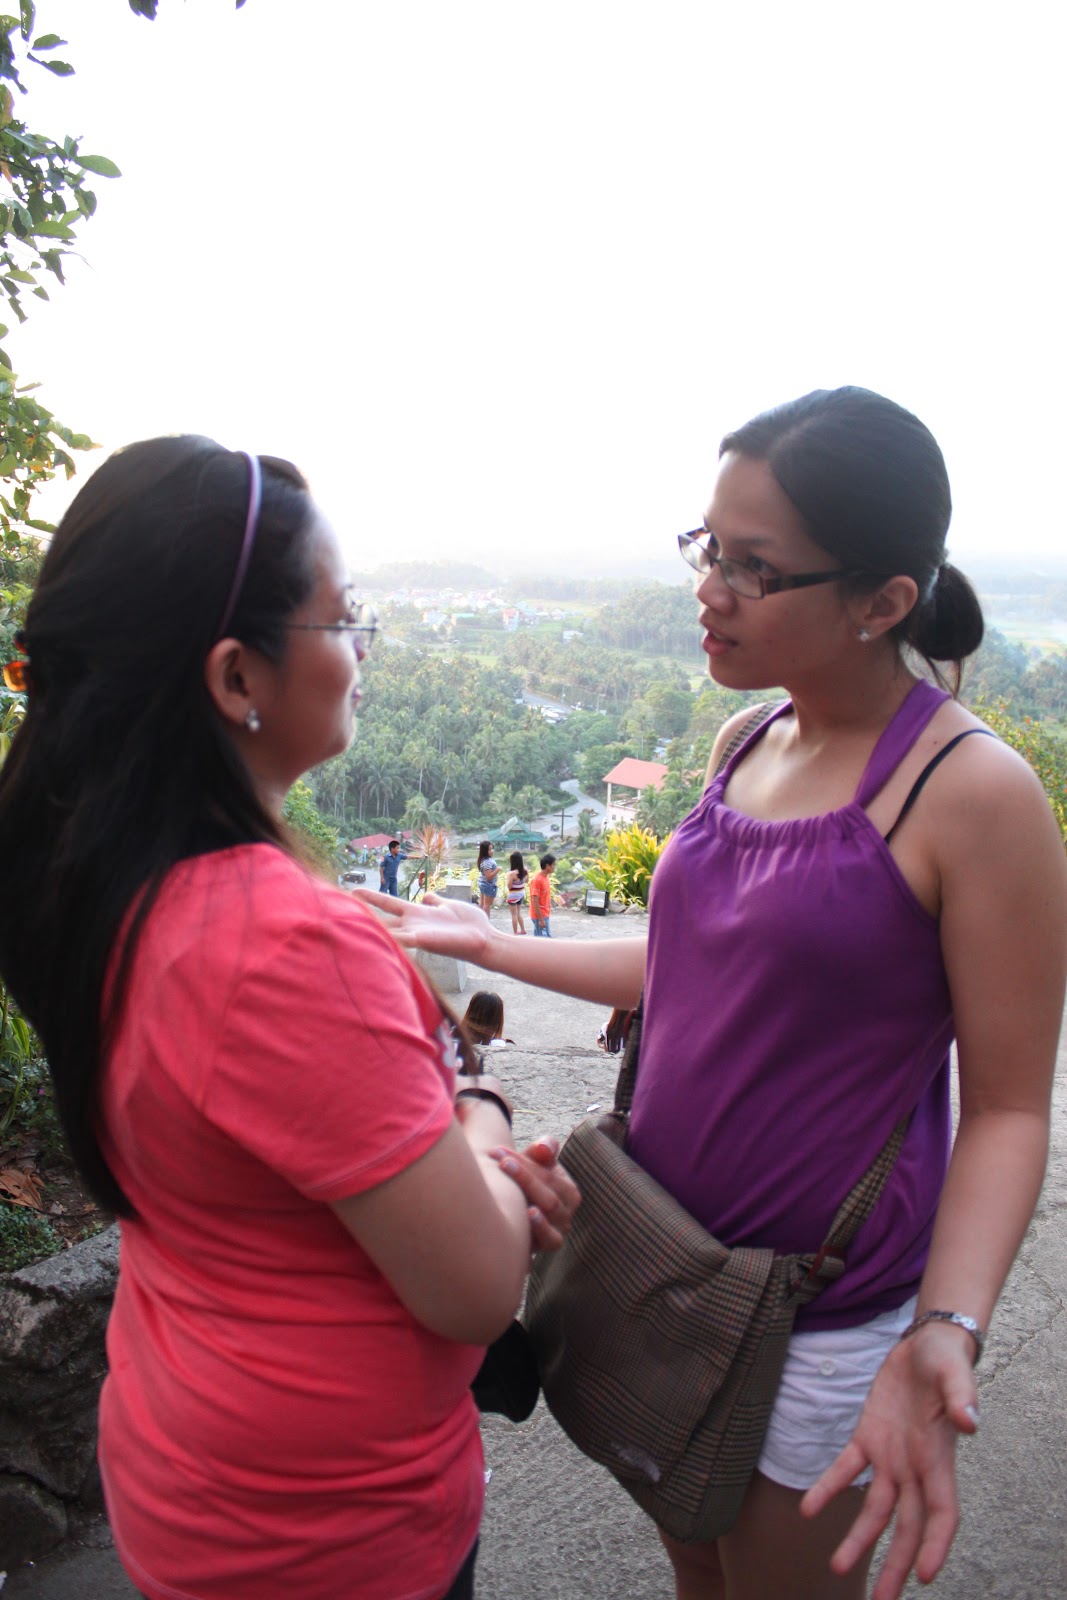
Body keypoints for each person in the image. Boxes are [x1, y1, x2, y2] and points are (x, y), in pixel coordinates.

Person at [356, 387, 1067, 1600]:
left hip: (814, 1317)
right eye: (705, 547)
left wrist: (942, 1330)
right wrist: (496, 941)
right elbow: (698, 961)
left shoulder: (969, 794)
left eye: (754, 566)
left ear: (880, 602)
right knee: (697, 1562)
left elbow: (1005, 1106)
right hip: (663, 1267)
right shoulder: (751, 741)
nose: (710, 587)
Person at [0, 438, 579, 1600]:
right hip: (327, 1536)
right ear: (235, 679)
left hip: (193, 1463)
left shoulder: (102, 877)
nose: (362, 649)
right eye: (344, 616)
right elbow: (472, 1289)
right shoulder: (279, 944)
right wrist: (483, 1120)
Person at [529, 852, 556, 937]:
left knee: (540, 940)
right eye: (553, 865)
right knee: (544, 941)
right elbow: (535, 901)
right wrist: (540, 919)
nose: (554, 867)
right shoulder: (537, 880)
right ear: (548, 866)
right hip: (539, 916)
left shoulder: (546, 877)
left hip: (544, 914)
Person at [504, 850, 529, 934]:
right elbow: (527, 881)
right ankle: (522, 929)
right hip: (521, 894)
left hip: (513, 896)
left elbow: (509, 886)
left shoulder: (511, 874)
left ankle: (515, 933)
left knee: (514, 915)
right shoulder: (525, 870)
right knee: (518, 913)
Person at [476, 840, 499, 916]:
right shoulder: (487, 862)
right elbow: (488, 877)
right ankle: (486, 922)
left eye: (492, 849)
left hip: (483, 883)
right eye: (489, 849)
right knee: (487, 905)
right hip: (488, 884)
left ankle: (479, 920)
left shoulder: (484, 860)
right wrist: (497, 869)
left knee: (482, 903)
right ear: (485, 851)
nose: (492, 851)